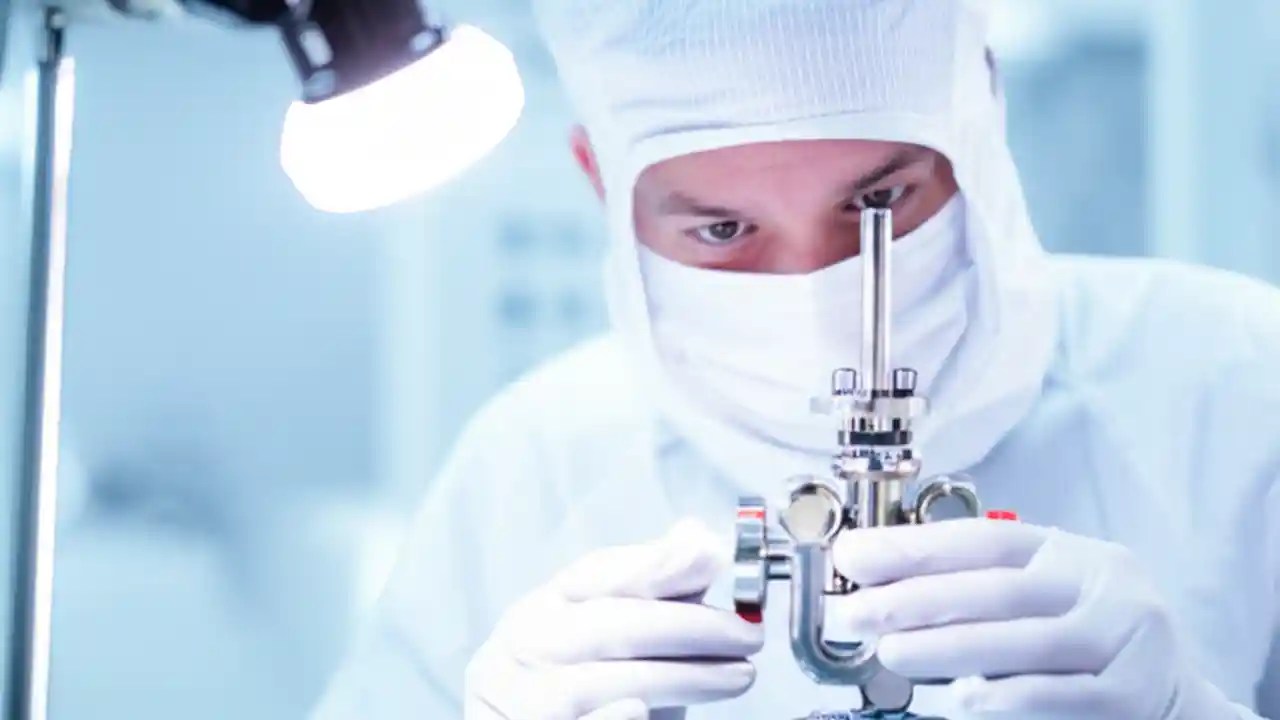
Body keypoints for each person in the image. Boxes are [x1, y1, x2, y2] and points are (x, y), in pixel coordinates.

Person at [312, 1, 1280, 718]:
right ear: (600, 182)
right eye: (723, 229)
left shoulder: (1239, 378)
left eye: (882, 207)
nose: (823, 309)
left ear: (981, 113)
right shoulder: (532, 462)